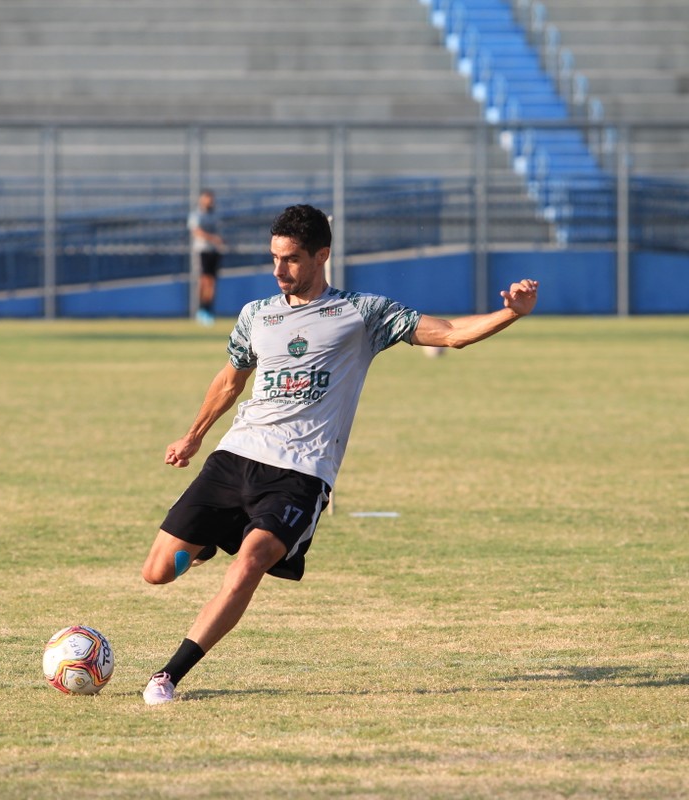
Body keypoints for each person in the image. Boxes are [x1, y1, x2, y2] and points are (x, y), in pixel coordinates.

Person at [141, 204, 538, 705]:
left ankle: (167, 677)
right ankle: (217, 539)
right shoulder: (255, 315)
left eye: (290, 259)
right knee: (157, 572)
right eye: (274, 258)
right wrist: (194, 435)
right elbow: (230, 380)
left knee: (250, 564)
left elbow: (452, 333)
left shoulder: (363, 314)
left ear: (322, 256)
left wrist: (511, 313)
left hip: (300, 474)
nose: (279, 270)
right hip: (234, 457)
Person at [188, 189, 225, 325]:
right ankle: (201, 309)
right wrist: (213, 238)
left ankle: (208, 309)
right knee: (204, 280)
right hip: (202, 251)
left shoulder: (215, 215)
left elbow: (220, 232)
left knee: (212, 282)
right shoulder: (197, 215)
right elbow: (196, 231)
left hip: (214, 251)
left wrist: (219, 242)